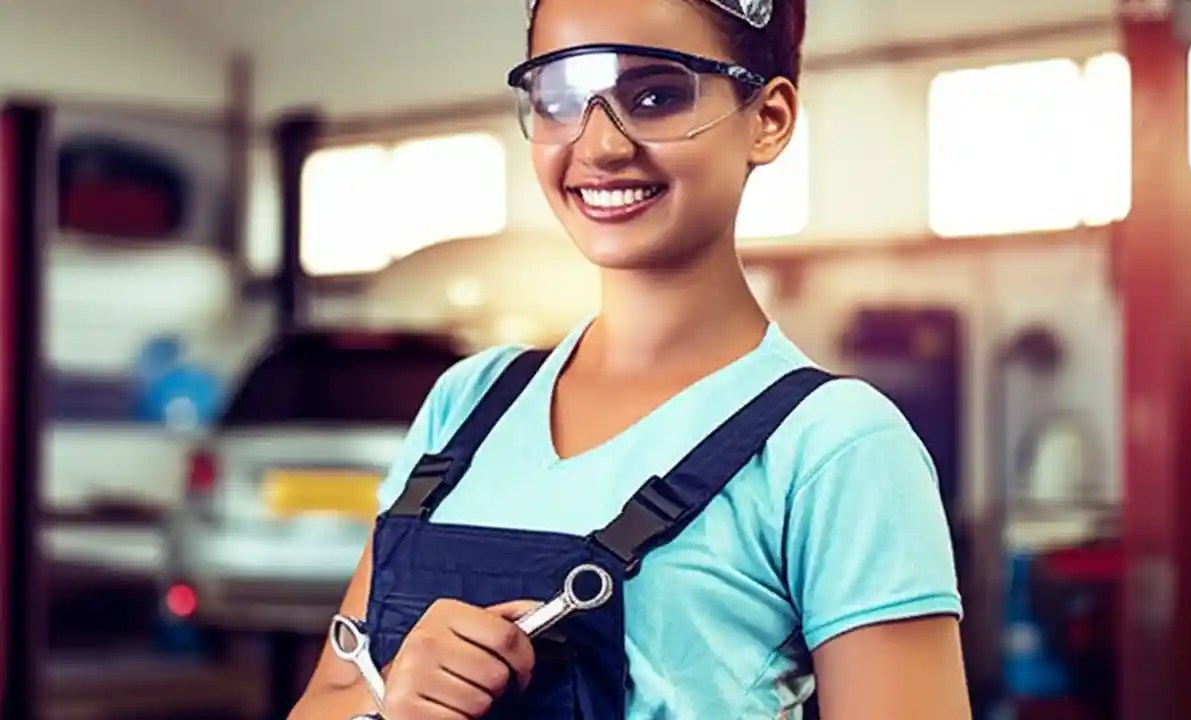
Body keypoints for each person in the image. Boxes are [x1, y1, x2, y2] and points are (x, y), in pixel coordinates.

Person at [289, 0, 971, 717]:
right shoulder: (469, 405)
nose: (600, 146)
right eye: (558, 99)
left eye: (655, 96)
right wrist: (395, 697)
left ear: (767, 119)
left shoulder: (836, 448)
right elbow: (328, 698)